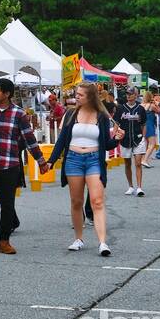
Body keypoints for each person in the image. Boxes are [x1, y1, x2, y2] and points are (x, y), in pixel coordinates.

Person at [0, 78, 50, 255]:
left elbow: (30, 139)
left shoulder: (19, 114)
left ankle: (4, 241)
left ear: (7, 94)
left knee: (7, 205)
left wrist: (41, 161)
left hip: (9, 165)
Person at [50, 82, 124, 256]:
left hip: (93, 160)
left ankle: (103, 243)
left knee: (97, 201)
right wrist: (50, 161)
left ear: (90, 97)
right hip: (73, 160)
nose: (76, 97)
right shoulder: (70, 114)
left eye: (80, 95)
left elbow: (107, 144)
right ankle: (78, 238)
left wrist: (118, 139)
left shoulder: (102, 116)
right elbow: (62, 140)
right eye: (76, 94)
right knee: (76, 202)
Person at [114, 87, 148, 196]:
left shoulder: (141, 109)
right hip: (125, 139)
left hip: (138, 138)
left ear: (136, 95)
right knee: (127, 163)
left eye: (131, 94)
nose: (128, 96)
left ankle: (139, 187)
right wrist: (115, 135)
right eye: (127, 94)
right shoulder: (121, 108)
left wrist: (143, 136)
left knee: (138, 163)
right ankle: (130, 186)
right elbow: (116, 122)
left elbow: (144, 124)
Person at [142, 90, 160, 168]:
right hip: (150, 125)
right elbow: (159, 111)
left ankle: (144, 160)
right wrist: (156, 103)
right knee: (152, 144)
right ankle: (144, 160)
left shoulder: (141, 105)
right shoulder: (151, 106)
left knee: (146, 144)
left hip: (143, 126)